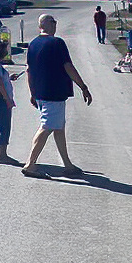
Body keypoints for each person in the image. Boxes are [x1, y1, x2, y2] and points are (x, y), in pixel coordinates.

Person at [22, 14, 92, 179]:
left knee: (58, 128)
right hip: (54, 94)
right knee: (47, 127)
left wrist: (32, 93)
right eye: (53, 22)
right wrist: (83, 86)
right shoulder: (57, 43)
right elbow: (68, 66)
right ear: (45, 24)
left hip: (42, 93)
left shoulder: (33, 44)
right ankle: (30, 164)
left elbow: (28, 71)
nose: (55, 25)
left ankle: (67, 164)